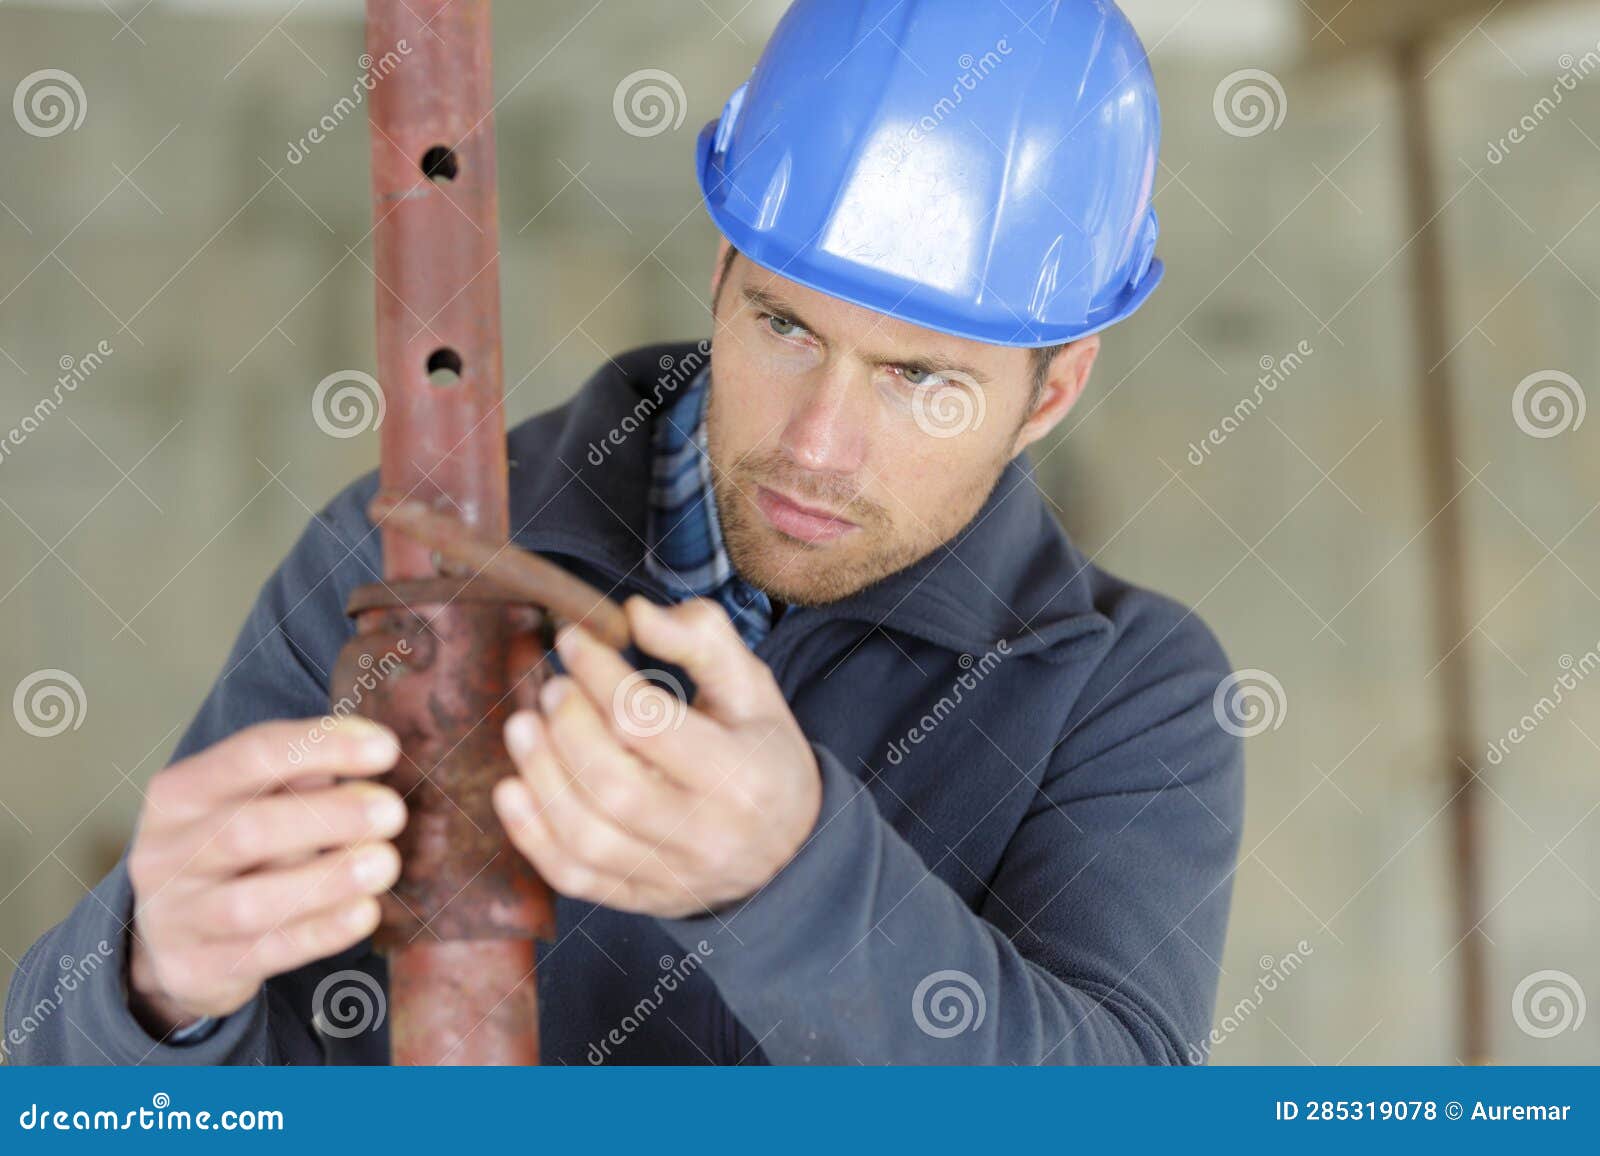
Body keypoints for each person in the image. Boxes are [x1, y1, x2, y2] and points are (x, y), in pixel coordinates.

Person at [4, 0, 1241, 1066]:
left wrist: (786, 881)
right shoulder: (403, 555)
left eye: (921, 379)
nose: (816, 442)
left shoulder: (1125, 693)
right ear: (722, 268)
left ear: (1056, 390)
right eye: (785, 328)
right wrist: (148, 987)